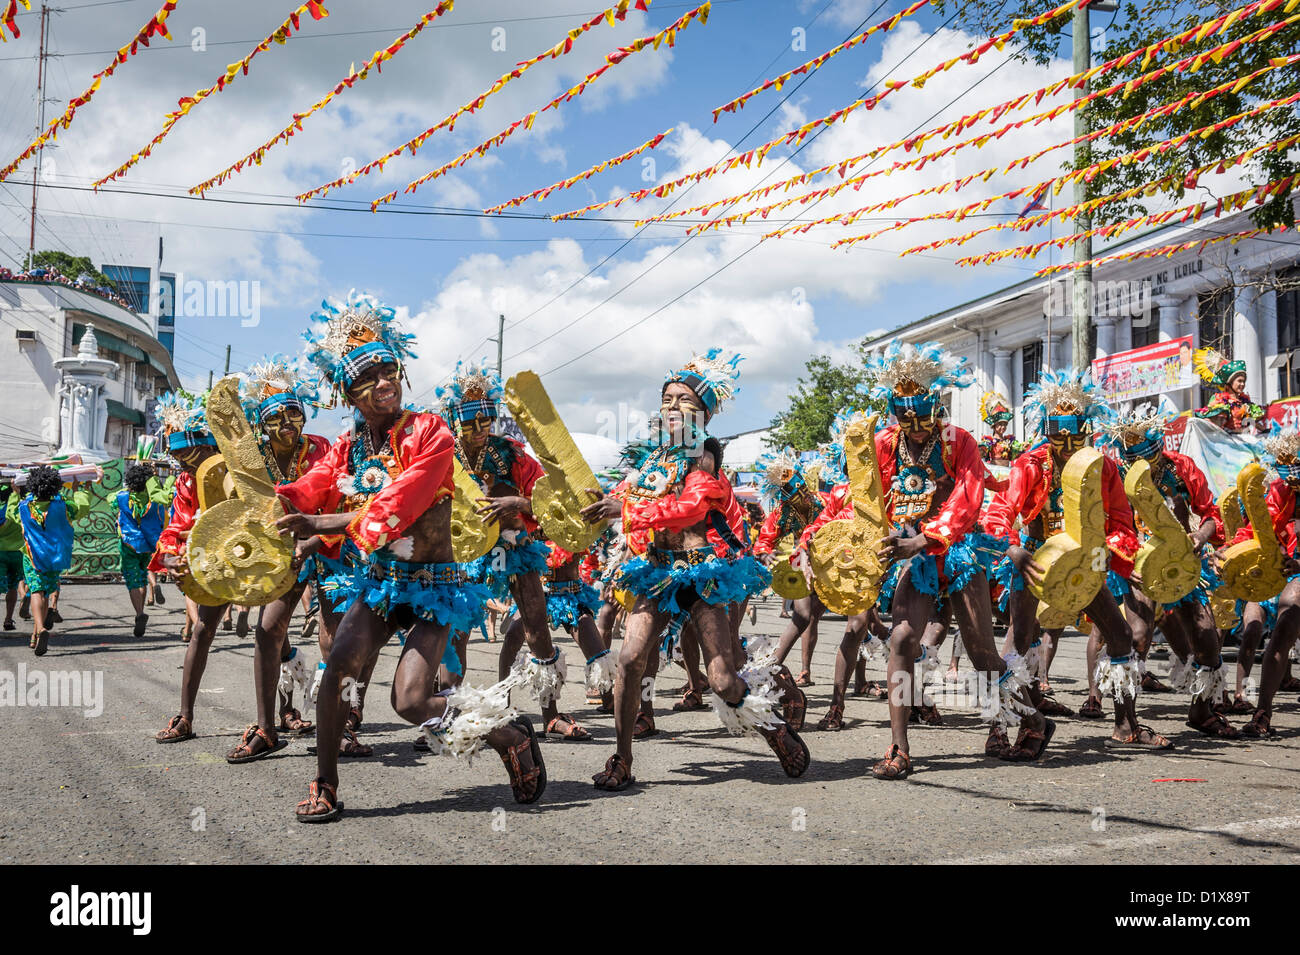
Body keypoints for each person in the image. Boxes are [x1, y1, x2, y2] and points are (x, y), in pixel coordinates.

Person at [279, 291, 541, 822]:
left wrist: (329, 523)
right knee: (335, 676)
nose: (385, 381)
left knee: (411, 702)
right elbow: (316, 482)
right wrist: (279, 504)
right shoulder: (350, 446)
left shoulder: (430, 431)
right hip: (382, 582)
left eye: (389, 369)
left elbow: (403, 498)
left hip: (437, 585)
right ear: (350, 392)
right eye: (370, 376)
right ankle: (325, 783)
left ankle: (509, 734)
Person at [803, 342, 1040, 777]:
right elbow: (859, 500)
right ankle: (899, 748)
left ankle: (1034, 719)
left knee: (983, 655)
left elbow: (970, 499)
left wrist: (928, 538)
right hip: (913, 558)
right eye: (905, 419)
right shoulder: (880, 445)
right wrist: (820, 536)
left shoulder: (960, 441)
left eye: (922, 418)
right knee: (901, 642)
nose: (914, 429)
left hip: (959, 552)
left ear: (937, 408)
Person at [582, 349, 809, 791]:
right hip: (658, 571)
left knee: (722, 678)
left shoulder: (703, 455)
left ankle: (773, 729)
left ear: (703, 413)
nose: (671, 405)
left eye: (683, 399)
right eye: (667, 398)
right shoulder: (651, 462)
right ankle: (622, 758)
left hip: (703, 573)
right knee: (629, 660)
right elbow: (615, 495)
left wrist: (624, 510)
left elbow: (689, 509)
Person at [986, 369, 1172, 752]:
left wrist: (1122, 559)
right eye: (1059, 437)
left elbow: (1120, 519)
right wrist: (1013, 549)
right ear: (1048, 432)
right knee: (1020, 643)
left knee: (1120, 636)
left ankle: (1126, 726)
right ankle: (1003, 728)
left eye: (1075, 437)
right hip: (1035, 560)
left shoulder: (1102, 465)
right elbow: (999, 512)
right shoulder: (1031, 463)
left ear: (1087, 431)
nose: (1067, 446)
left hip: (1085, 561)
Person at [437, 360, 590, 741]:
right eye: (470, 421)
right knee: (455, 633)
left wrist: (517, 505)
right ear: (455, 420)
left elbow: (552, 500)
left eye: (486, 420)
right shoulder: (443, 459)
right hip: (465, 553)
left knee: (538, 629)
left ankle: (550, 714)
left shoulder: (512, 454)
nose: (479, 429)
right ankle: (445, 716)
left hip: (516, 548)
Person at [1097, 404, 1238, 739]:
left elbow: (1211, 514)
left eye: (1151, 457)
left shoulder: (1182, 467)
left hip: (1182, 563)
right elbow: (1104, 523)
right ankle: (1125, 723)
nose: (1146, 465)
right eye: (1136, 460)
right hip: (1136, 563)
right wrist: (1124, 559)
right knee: (1138, 636)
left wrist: (1200, 536)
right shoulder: (1116, 475)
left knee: (1206, 637)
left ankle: (1201, 711)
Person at [223, 356, 335, 763]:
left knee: (335, 639)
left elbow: (338, 498)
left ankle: (344, 725)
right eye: (276, 416)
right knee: (268, 631)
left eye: (294, 412)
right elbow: (245, 512)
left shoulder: (322, 448)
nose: (288, 422)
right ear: (261, 422)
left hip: (331, 546)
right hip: (283, 555)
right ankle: (267, 727)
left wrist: (316, 539)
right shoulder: (252, 461)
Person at [151, 392, 224, 743]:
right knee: (201, 632)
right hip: (218, 565)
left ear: (206, 447)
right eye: (175, 455)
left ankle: (283, 714)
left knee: (271, 634)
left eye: (184, 453)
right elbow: (176, 526)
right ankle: (186, 717)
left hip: (262, 559)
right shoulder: (185, 482)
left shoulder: (237, 471)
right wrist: (169, 554)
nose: (179, 461)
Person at [1231, 424, 1300, 738]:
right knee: (1265, 633)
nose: (1293, 484)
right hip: (1282, 570)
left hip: (1294, 571)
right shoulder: (1281, 490)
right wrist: (1232, 552)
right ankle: (1261, 712)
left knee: (1283, 629)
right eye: (1290, 479)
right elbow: (1258, 529)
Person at [7, 466, 92, 655]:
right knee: (45, 593)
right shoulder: (63, 505)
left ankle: (41, 629)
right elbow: (82, 508)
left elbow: (10, 513)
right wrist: (80, 490)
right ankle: (36, 634)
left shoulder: (24, 507)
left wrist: (15, 493)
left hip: (33, 556)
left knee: (36, 591)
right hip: (55, 556)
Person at [115, 462, 172, 638]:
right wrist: (169, 477)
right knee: (146, 572)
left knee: (134, 580)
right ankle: (153, 587)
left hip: (128, 544)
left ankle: (139, 613)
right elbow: (167, 497)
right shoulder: (154, 498)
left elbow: (111, 501)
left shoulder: (120, 497)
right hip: (149, 543)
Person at [1193, 347, 1266, 434]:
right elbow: (1209, 422)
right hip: (1228, 442)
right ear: (1230, 383)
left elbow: (1250, 420)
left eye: (1244, 381)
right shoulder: (1220, 401)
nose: (1242, 384)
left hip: (1243, 440)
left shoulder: (1244, 402)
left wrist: (1265, 431)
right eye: (1239, 381)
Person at [0, 479, 25, 632]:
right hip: (18, 552)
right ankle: (8, 619)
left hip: (0, 553)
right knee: (12, 587)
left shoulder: (4, 510)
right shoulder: (22, 507)